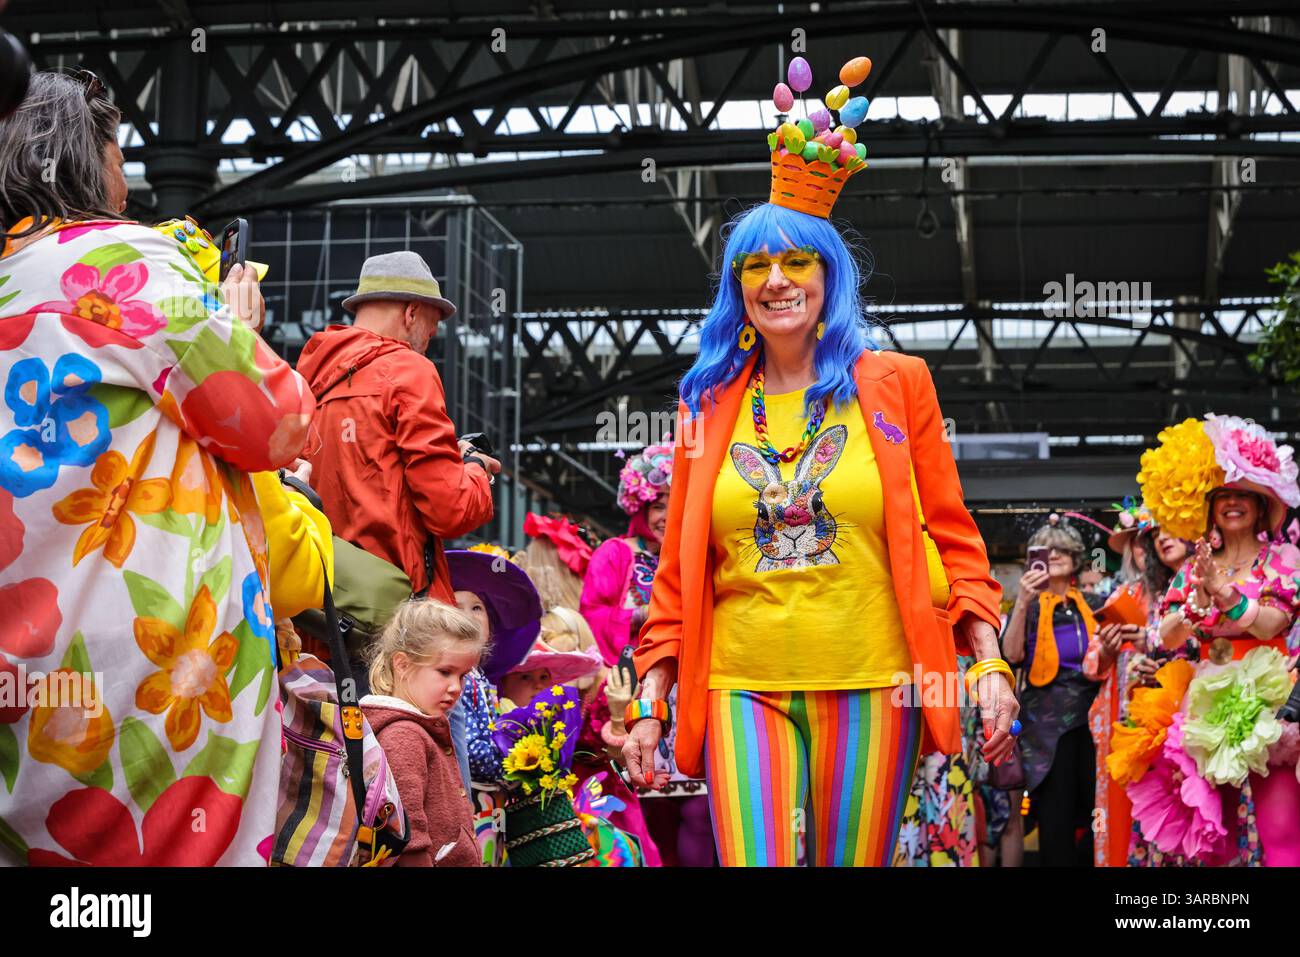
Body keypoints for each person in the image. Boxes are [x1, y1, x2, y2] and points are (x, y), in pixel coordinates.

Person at [624, 71, 1015, 866]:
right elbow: (676, 576)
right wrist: (649, 704)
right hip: (739, 681)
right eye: (756, 266)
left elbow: (954, 537)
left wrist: (989, 662)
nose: (776, 280)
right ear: (737, 288)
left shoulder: (897, 385)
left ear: (828, 275)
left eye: (797, 261)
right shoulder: (705, 405)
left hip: (875, 680)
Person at [0, 71, 314, 866]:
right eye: (117, 152)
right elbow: (278, 425)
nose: (129, 178)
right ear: (84, 157)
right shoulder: (124, 261)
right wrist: (234, 324)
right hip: (152, 678)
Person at [296, 250, 499, 604]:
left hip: (321, 605)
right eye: (432, 326)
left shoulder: (305, 379)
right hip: (392, 612)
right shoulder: (409, 370)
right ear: (411, 312)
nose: (430, 337)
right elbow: (449, 510)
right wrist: (477, 470)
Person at [1145, 415, 1300, 866]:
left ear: (1260, 504)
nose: (1232, 503)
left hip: (1268, 700)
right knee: (1214, 839)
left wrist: (1226, 594)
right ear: (1209, 507)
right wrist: (1194, 602)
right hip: (1206, 703)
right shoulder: (1194, 567)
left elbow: (1271, 625)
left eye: (1243, 495)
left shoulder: (1282, 557)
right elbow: (1167, 636)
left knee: (1282, 833)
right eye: (1223, 496)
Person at [1002, 516, 1105, 866]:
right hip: (1046, 730)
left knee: (1099, 817)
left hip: (1094, 722)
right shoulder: (1029, 607)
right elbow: (1011, 656)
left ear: (1077, 558)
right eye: (1047, 551)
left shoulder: (1093, 604)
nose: (1056, 555)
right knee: (1055, 821)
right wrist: (1021, 600)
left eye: (1064, 549)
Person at [360, 599, 485, 867]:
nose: (456, 687)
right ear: (403, 665)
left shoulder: (419, 728)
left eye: (463, 676)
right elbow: (408, 837)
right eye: (445, 672)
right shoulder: (404, 735)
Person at [446, 547, 543, 866]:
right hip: (473, 800)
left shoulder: (480, 678)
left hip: (491, 805)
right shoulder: (461, 678)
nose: (468, 617)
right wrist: (515, 760)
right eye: (456, 607)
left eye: (477, 608)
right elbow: (473, 750)